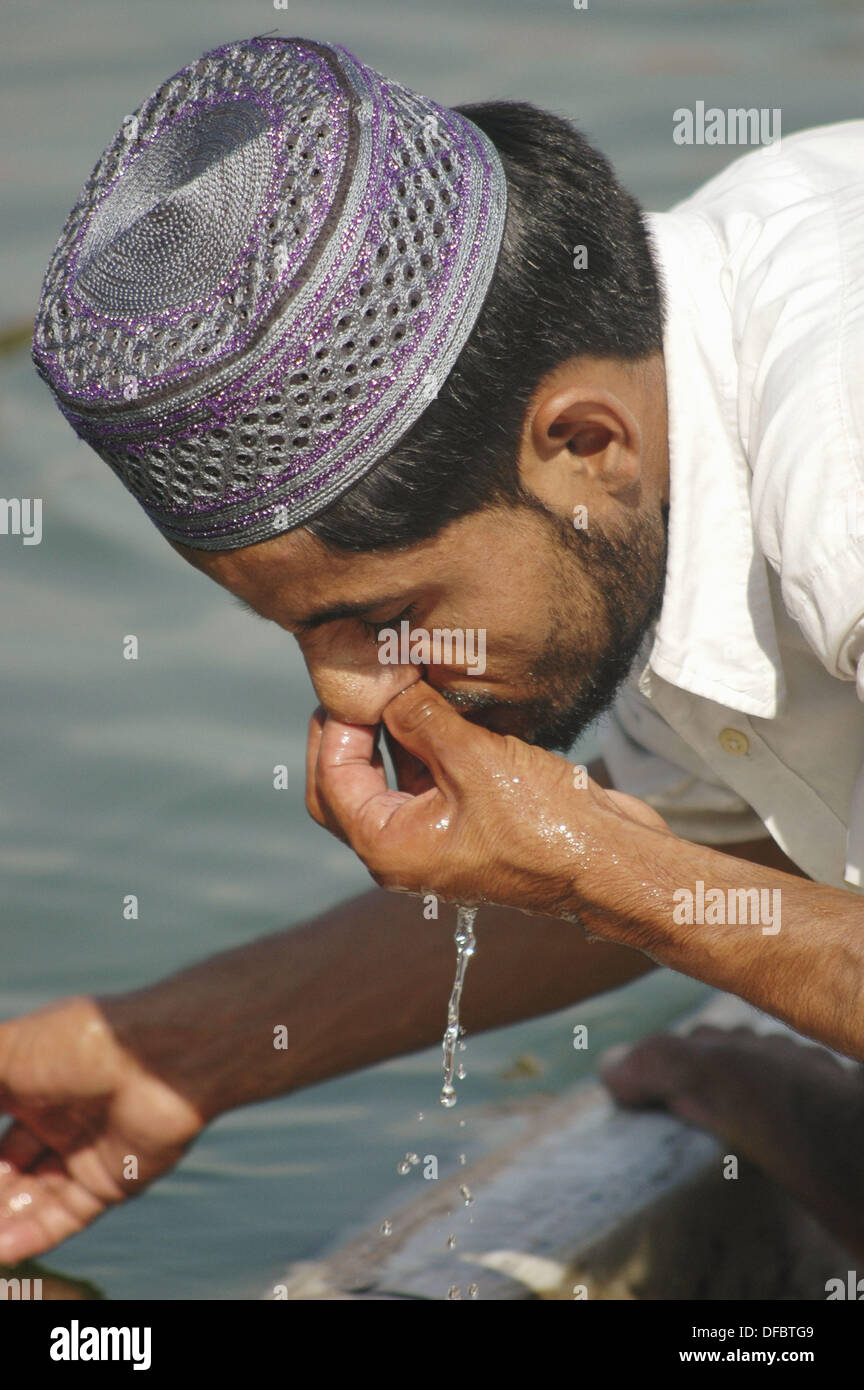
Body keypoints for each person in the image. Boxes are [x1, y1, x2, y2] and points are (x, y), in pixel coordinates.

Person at [4, 34, 863, 1267]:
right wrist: (173, 1050)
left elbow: (626, 865)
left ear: (584, 444)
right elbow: (697, 828)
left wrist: (592, 873)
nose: (353, 693)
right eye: (301, 633)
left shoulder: (841, 466)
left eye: (391, 614)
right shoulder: (663, 406)